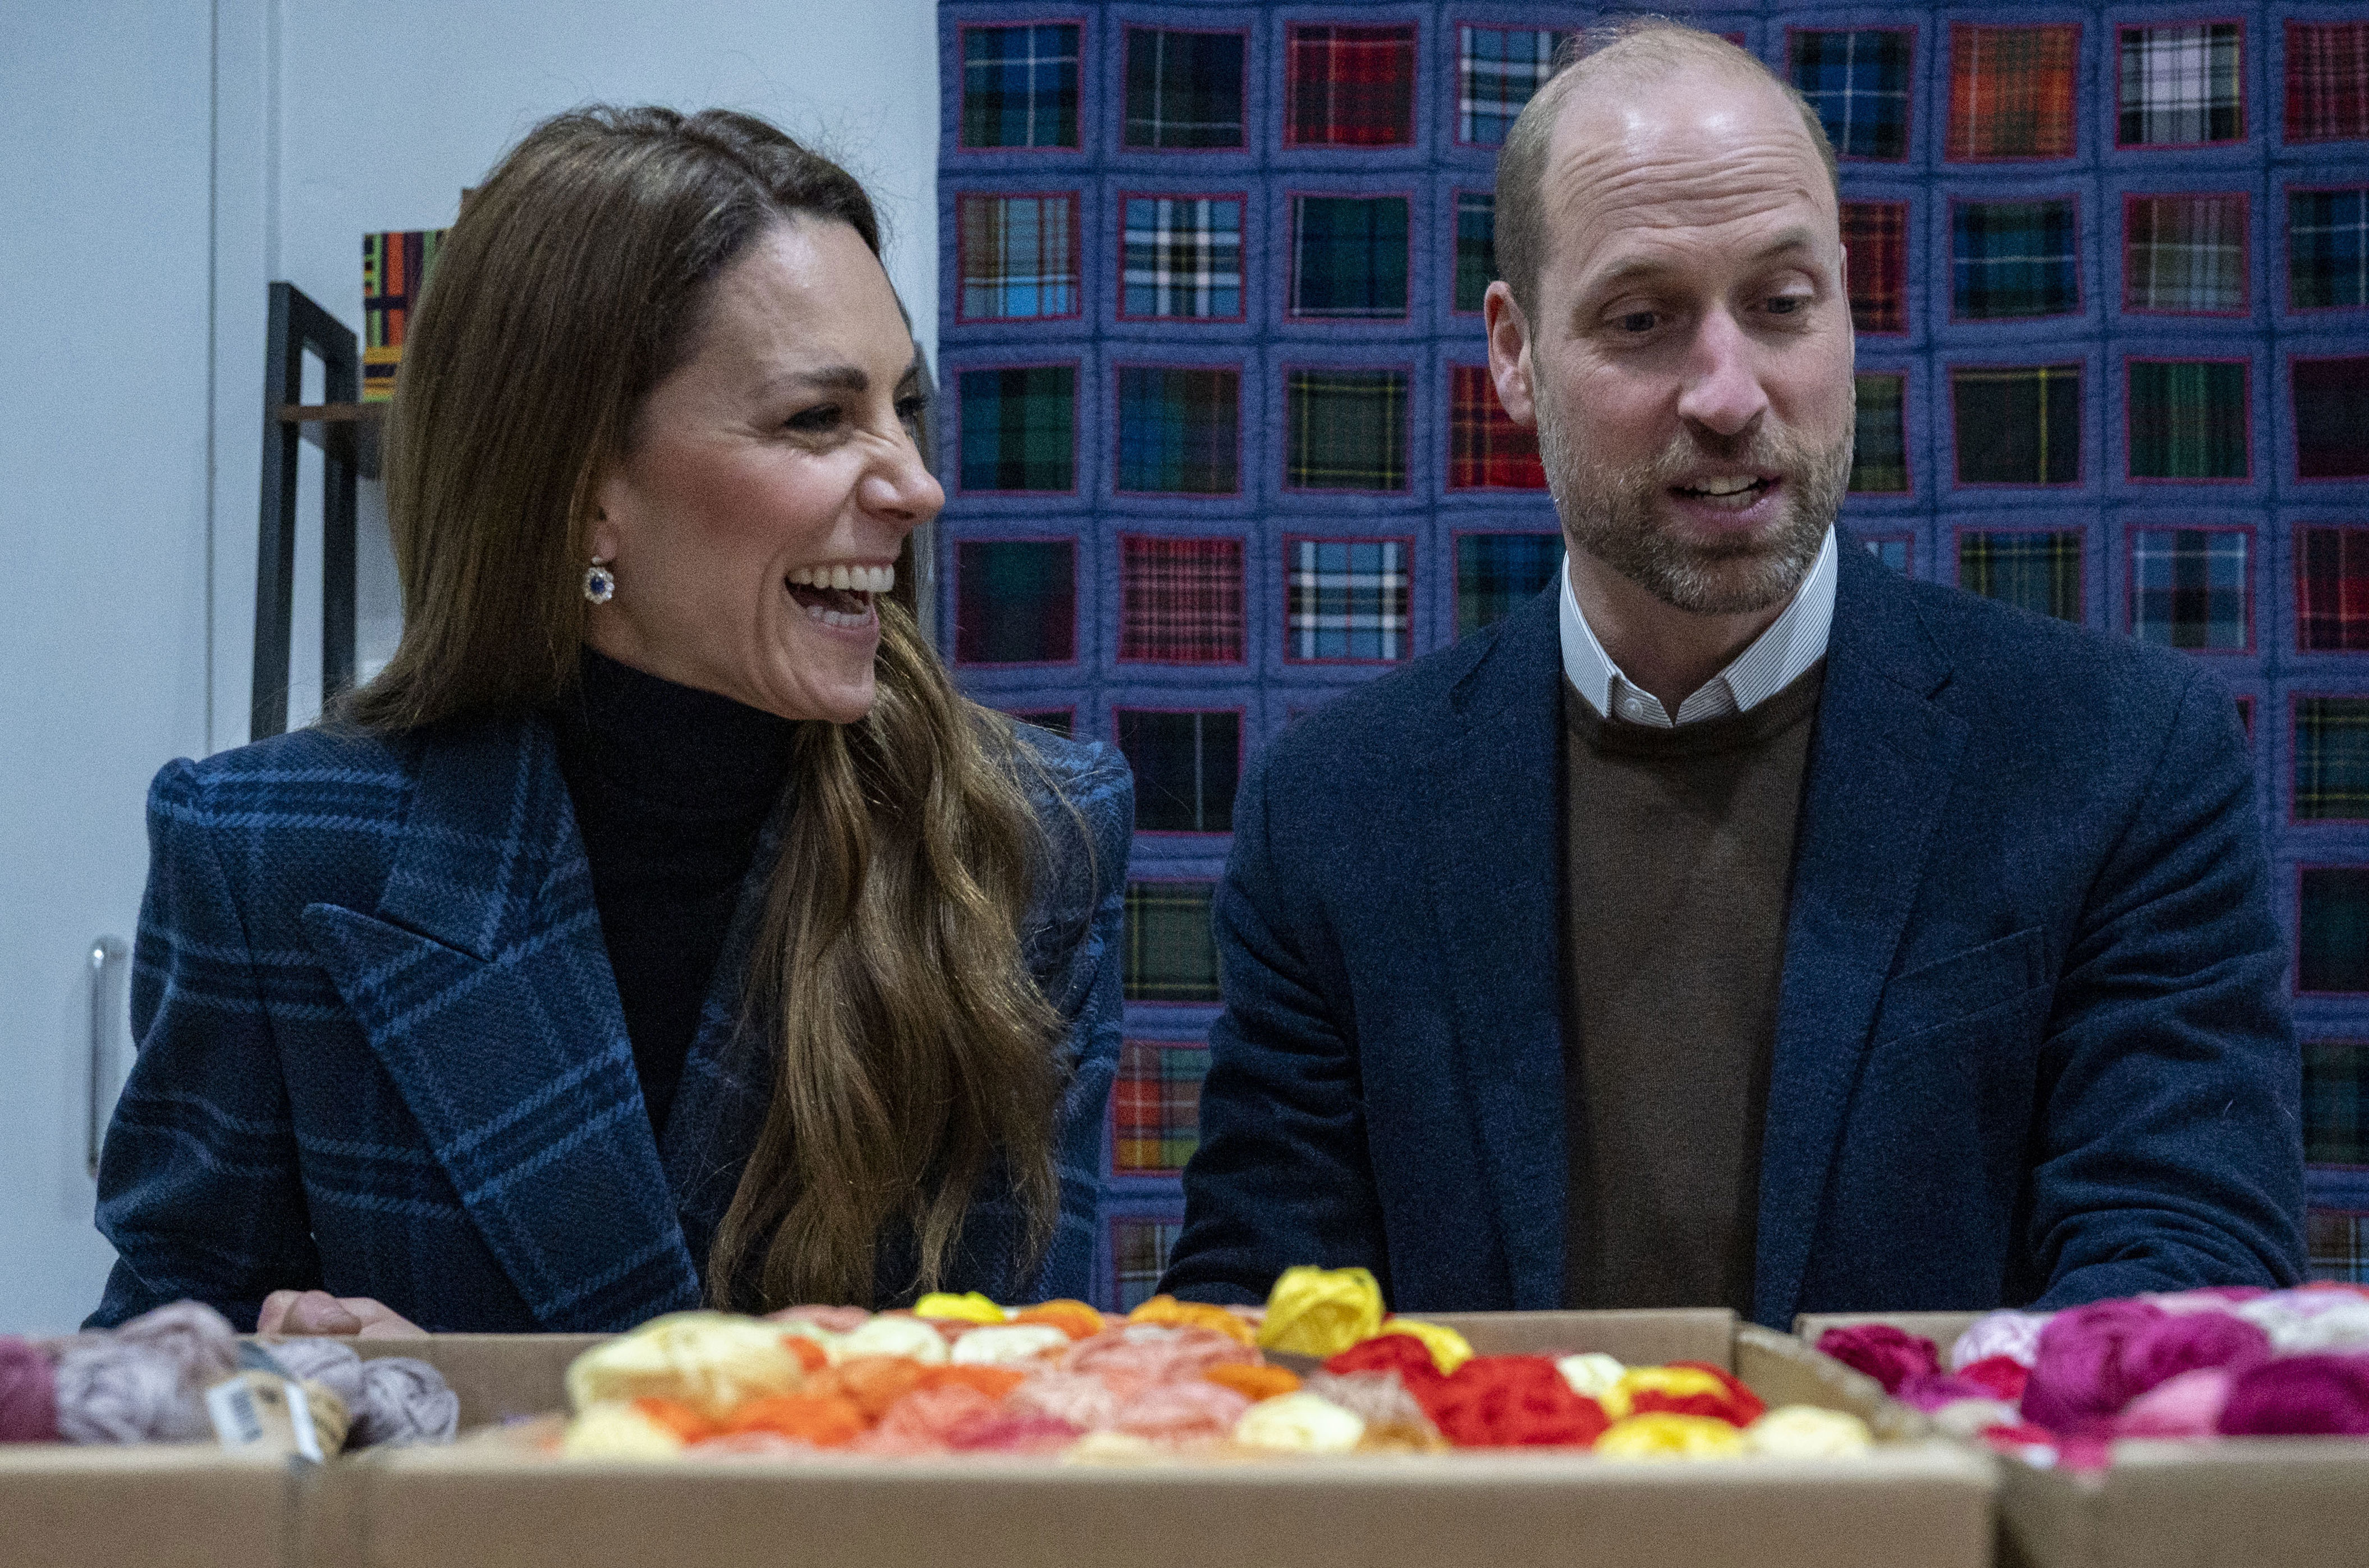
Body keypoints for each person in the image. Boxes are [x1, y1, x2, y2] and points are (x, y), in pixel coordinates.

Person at [1162, 22, 2304, 1326]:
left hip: (1934, 1469)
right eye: (1641, 319)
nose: (1726, 392)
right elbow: (1260, 1316)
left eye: (1779, 305)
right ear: (1514, 353)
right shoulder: (1336, 811)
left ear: (1845, 310)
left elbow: (2179, 1279)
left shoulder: (2119, 757)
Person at [89, 107, 1131, 1335]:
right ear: (585, 485)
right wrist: (293, 1382)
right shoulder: (267, 852)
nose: (916, 484)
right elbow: (150, 1373)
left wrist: (502, 1403)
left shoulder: (1023, 836)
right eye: (818, 418)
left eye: (904, 407)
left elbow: (1030, 1382)